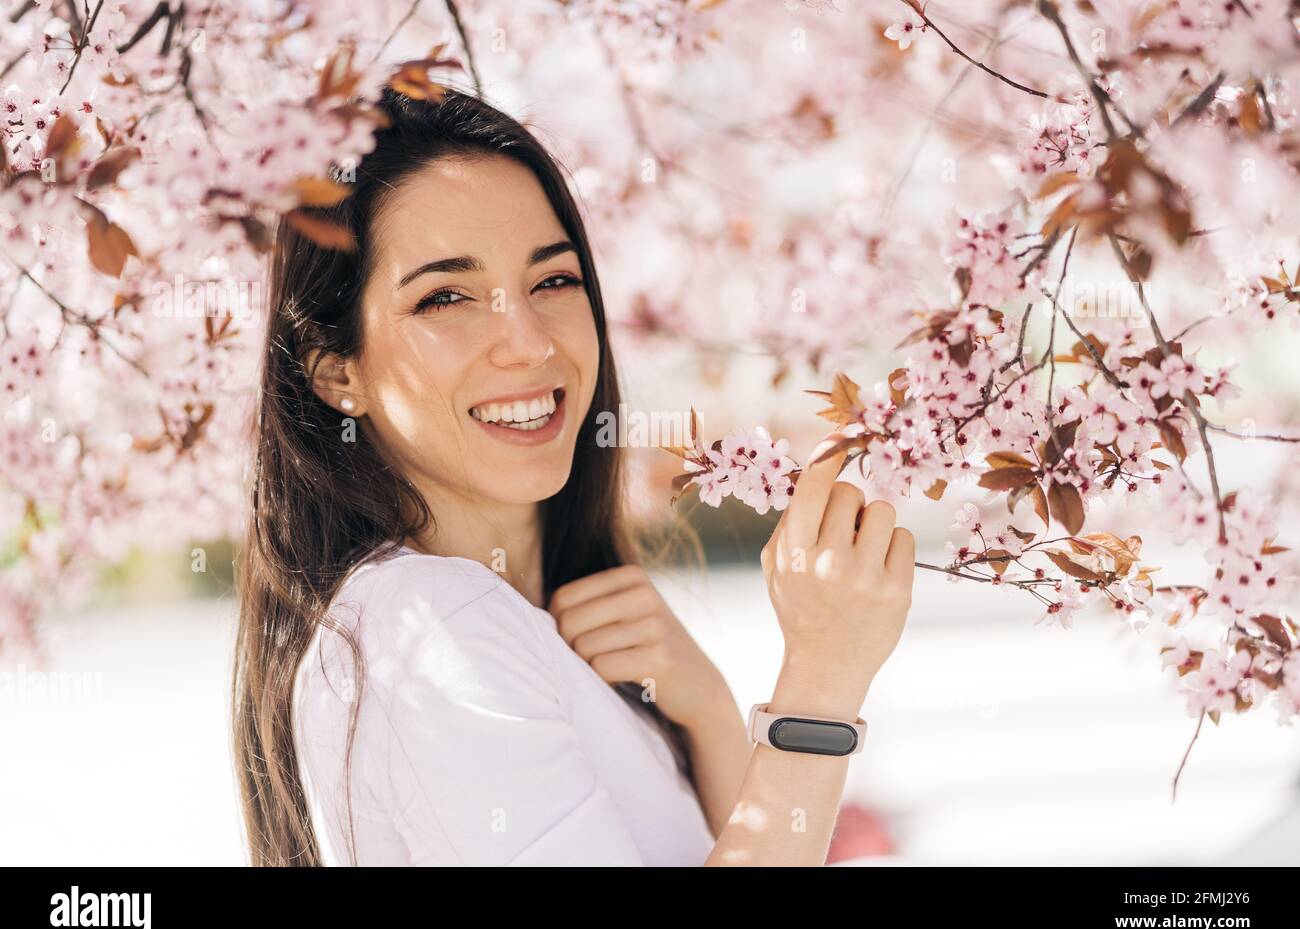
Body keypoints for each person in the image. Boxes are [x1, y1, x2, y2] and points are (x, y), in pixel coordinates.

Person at [232, 87, 915, 866]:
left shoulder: (521, 629)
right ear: (336, 373)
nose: (526, 342)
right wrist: (822, 681)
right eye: (445, 296)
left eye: (553, 281)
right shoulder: (428, 624)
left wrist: (714, 717)